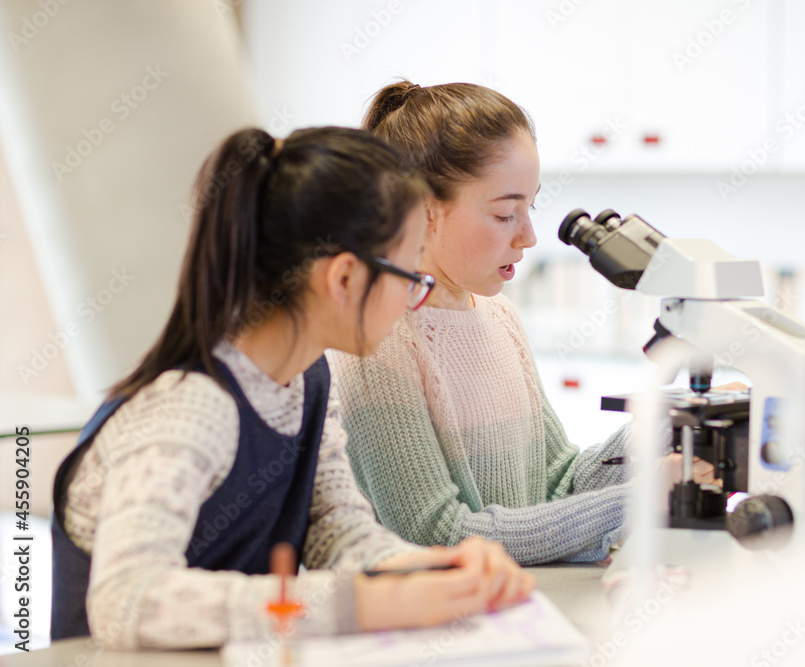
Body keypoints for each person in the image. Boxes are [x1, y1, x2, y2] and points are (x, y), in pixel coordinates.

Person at [50, 126, 533, 650]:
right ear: (344, 279)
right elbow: (127, 601)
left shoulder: (306, 379)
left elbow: (338, 531)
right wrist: (361, 605)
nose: (417, 292)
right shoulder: (192, 406)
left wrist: (434, 569)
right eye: (410, 269)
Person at [330, 82, 718, 566]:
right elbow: (437, 537)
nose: (529, 236)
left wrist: (676, 424)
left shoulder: (499, 316)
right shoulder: (376, 343)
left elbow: (557, 483)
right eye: (505, 213)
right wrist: (636, 498)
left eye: (529, 208)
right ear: (424, 211)